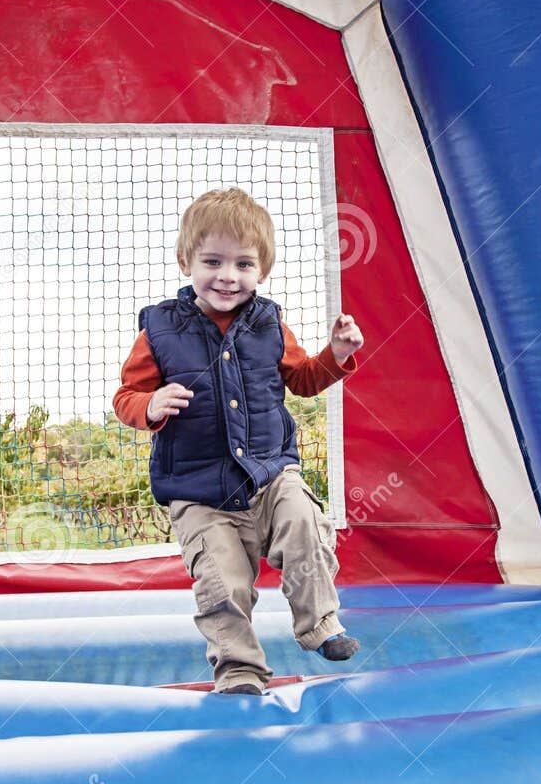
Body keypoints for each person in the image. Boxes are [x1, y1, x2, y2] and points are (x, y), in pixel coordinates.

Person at [113, 188, 366, 695]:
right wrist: (151, 405)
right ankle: (239, 669)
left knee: (306, 523)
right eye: (212, 261)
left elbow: (304, 379)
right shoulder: (161, 329)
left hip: (270, 474)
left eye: (243, 264)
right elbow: (127, 396)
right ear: (186, 261)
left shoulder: (270, 324)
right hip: (198, 490)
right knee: (221, 582)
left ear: (262, 272)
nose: (228, 276)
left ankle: (320, 625)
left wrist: (336, 353)